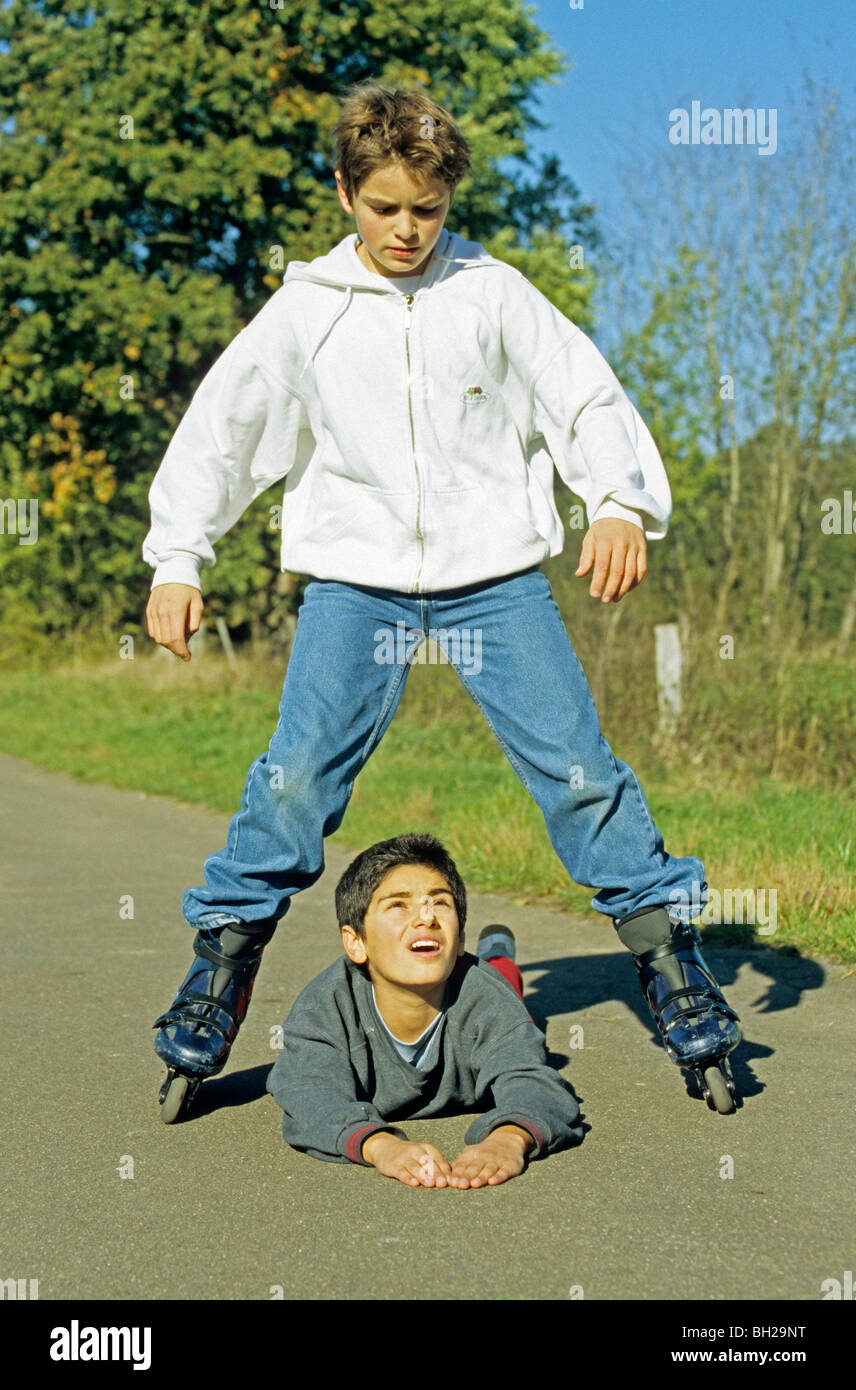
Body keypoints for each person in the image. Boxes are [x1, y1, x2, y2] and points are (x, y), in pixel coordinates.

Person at [145, 81, 741, 1122]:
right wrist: (178, 558)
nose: (406, 230)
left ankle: (673, 969)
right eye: (383, 208)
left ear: (447, 198)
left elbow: (583, 395)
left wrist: (613, 501)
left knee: (580, 775)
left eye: (425, 208)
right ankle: (222, 968)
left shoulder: (493, 294)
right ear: (344, 193)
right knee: (292, 785)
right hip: (356, 583)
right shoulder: (306, 313)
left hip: (494, 577)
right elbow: (222, 432)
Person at [266, 833, 583, 1186]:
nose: (426, 918)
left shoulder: (486, 998)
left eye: (440, 903)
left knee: (504, 987)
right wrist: (379, 1146)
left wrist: (508, 1139)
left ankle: (500, 960)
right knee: (501, 983)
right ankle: (499, 958)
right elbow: (310, 1095)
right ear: (356, 942)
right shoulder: (325, 1008)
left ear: (460, 937)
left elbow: (534, 1081)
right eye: (398, 905)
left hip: (492, 988)